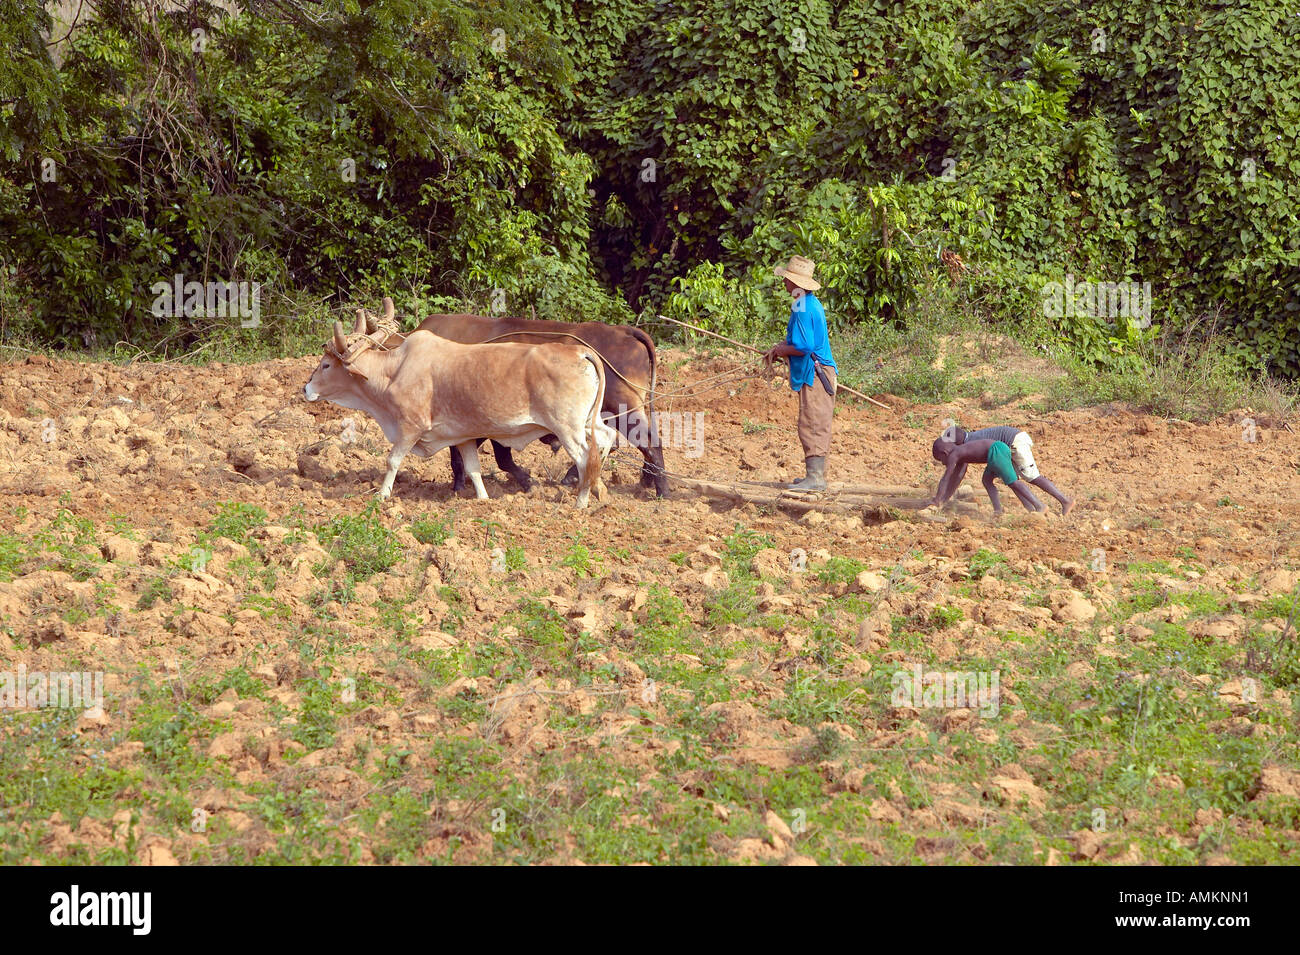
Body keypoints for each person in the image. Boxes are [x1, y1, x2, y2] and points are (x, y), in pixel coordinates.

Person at [762, 255, 837, 490]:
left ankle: (815, 478)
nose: (784, 283)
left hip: (816, 373)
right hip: (816, 370)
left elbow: (804, 346)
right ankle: (813, 476)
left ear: (796, 283)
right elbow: (799, 340)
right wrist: (780, 348)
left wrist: (781, 350)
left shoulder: (802, 306)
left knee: (812, 422)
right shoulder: (804, 302)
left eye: (787, 279)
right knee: (812, 421)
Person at [938, 424, 1074, 515]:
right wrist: (943, 499)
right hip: (1003, 449)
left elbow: (958, 474)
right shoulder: (968, 442)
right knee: (989, 479)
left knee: (1031, 476)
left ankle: (1063, 501)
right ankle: (1026, 509)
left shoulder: (967, 445)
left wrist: (941, 499)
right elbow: (957, 474)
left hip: (1014, 441)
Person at [928, 434, 1046, 516]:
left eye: (941, 459)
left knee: (1013, 481)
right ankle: (998, 510)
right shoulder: (960, 453)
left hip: (996, 450)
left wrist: (937, 499)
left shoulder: (955, 454)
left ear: (945, 453)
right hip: (994, 452)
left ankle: (1038, 505)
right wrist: (944, 500)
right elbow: (957, 478)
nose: (943, 463)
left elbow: (946, 478)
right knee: (987, 481)